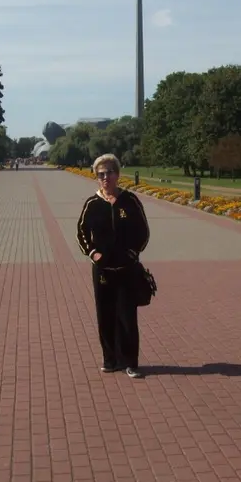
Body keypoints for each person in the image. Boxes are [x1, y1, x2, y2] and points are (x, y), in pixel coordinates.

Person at [76, 154, 150, 378]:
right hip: (103, 272)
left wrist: (132, 253)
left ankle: (130, 362)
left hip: (126, 270)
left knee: (127, 317)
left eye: (109, 172)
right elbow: (81, 233)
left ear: (117, 174)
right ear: (96, 177)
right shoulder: (92, 204)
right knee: (105, 315)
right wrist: (93, 253)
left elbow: (143, 232)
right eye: (101, 174)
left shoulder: (130, 201)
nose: (105, 177)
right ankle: (110, 360)